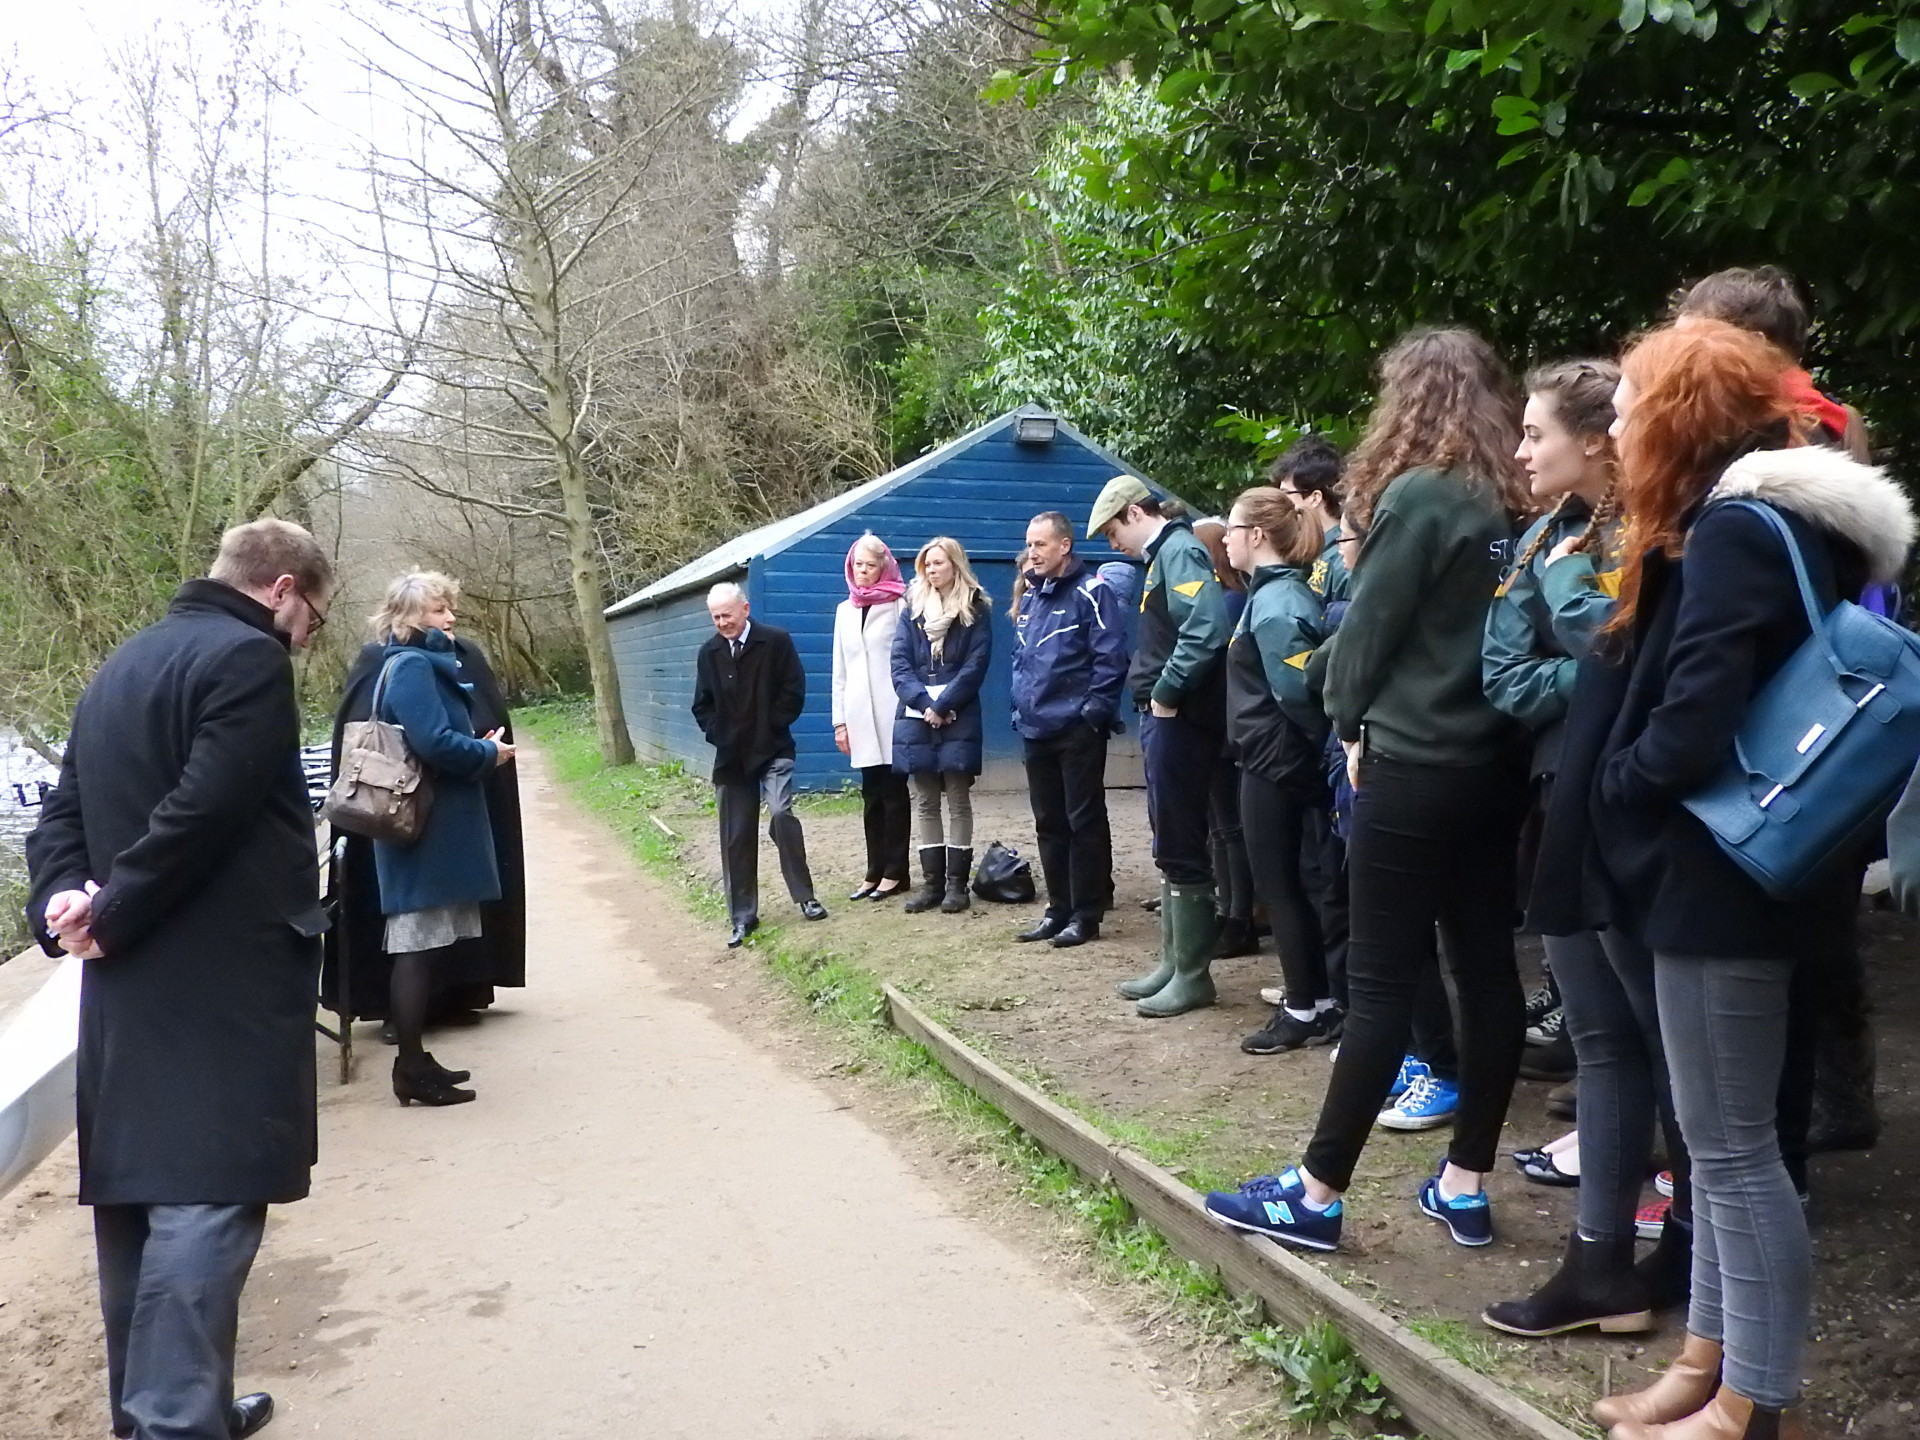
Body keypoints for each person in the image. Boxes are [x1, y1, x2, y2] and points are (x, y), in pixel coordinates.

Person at [1570, 320, 1912, 1438]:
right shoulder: (1783, 523)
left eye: (1627, 399)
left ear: (1678, 411)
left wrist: (1621, 782)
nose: (1614, 419)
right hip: (1752, 868)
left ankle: (1753, 1405)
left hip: (1717, 872)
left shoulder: (1733, 531)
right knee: (1716, 1147)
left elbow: (1696, 705)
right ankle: (1708, 1364)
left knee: (1731, 1151)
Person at [1204, 327, 1530, 1252]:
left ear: (1408, 399)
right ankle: (1464, 1182)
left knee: (1381, 981)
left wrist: (1345, 716)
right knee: (1487, 970)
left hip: (1412, 765)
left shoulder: (1422, 495)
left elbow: (1361, 646)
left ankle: (1314, 1195)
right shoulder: (1510, 499)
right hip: (1492, 768)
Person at [25, 517, 335, 1440]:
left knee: (136, 1198)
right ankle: (173, 1426)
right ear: (280, 587)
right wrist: (106, 912)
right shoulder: (247, 661)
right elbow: (205, 809)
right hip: (219, 981)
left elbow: (62, 815)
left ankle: (166, 1411)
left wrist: (62, 905)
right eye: (312, 614)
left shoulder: (122, 664)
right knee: (206, 1199)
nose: (307, 635)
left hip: (130, 982)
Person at [1476, 361, 1693, 1340]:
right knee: (1604, 1040)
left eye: (1534, 434)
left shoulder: (1660, 533)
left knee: (1675, 1045)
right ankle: (1602, 1263)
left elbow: (1616, 645)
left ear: (1598, 440)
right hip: (1565, 795)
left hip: (1636, 807)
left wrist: (1588, 654)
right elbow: (1506, 673)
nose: (1520, 452)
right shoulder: (1550, 536)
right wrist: (1586, 671)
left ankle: (1687, 1251)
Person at [1672, 264, 1882, 1163]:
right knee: (1820, 920)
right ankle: (1827, 1102)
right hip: (1835, 710)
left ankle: (1771, 1139)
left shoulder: (1763, 433)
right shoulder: (1841, 423)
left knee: (1774, 936)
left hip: (1775, 717)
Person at [362, 572, 518, 1107]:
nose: (449, 619)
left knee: (423, 947)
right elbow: (431, 743)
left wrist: (473, 744)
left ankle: (416, 1058)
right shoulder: (410, 666)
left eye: (448, 608)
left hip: (429, 828)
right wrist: (484, 754)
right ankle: (408, 1068)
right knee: (414, 947)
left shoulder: (413, 664)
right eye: (436, 611)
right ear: (408, 618)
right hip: (423, 832)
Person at [324, 631, 526, 1040]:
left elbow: (479, 712)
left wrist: (481, 742)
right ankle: (406, 1038)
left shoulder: (466, 653)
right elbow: (403, 735)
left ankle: (461, 990)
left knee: (448, 913)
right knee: (414, 926)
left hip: (457, 800)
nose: (449, 617)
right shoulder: (388, 660)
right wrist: (475, 751)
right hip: (401, 804)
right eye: (438, 608)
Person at [1091, 476, 1234, 1017]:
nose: (1111, 544)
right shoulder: (1165, 556)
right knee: (1168, 840)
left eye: (1111, 532)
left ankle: (1193, 976)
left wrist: (1168, 693)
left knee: (1180, 840)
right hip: (1166, 722)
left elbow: (1206, 630)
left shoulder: (1179, 552)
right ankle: (1174, 963)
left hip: (1183, 721)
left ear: (1133, 513)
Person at [1220, 487, 1340, 1054]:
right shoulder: (1270, 595)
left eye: (1233, 528)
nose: (1225, 538)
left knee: (1281, 884)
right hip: (1273, 756)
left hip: (1275, 762)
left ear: (1257, 536)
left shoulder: (1278, 603)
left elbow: (1298, 692)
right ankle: (1315, 996)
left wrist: (1310, 752)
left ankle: (1304, 1007)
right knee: (1293, 882)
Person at [1009, 511, 1129, 946]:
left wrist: (1091, 714)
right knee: (1048, 823)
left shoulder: (1093, 592)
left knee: (1084, 821)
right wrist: (1017, 709)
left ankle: (1086, 913)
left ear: (1064, 546)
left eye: (1040, 544)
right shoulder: (1034, 595)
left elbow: (1110, 658)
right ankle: (1057, 908)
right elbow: (1023, 660)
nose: (1032, 553)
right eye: (1029, 544)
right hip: (1034, 728)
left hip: (1076, 729)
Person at [692, 582, 829, 947]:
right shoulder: (709, 653)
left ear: (745, 609)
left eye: (728, 615)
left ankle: (806, 897)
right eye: (716, 617)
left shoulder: (776, 641)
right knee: (735, 836)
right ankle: (742, 917)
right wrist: (720, 734)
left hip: (773, 749)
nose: (722, 623)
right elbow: (701, 706)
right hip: (732, 757)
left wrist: (770, 725)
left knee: (781, 814)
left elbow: (794, 691)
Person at [891, 537, 993, 914]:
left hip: (958, 715)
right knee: (926, 800)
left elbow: (976, 665)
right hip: (917, 718)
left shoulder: (976, 609)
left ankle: (956, 886)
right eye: (926, 564)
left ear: (955, 564)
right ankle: (931, 885)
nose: (931, 570)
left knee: (958, 797)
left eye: (938, 563)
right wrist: (925, 704)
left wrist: (945, 704)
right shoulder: (911, 609)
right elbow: (899, 665)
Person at [832, 535, 912, 902]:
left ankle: (896, 872)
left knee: (894, 792)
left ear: (884, 567)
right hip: (859, 713)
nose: (863, 572)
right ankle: (873, 870)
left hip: (892, 710)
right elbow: (840, 671)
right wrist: (840, 721)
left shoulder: (899, 604)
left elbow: (908, 658)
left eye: (870, 566)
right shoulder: (844, 611)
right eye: (858, 565)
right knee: (871, 795)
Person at [1194, 517, 1258, 959]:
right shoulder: (1222, 597)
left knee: (1230, 828)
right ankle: (1225, 911)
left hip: (1227, 726)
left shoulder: (1231, 600)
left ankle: (1240, 918)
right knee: (1219, 827)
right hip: (1214, 725)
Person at [1271, 434, 1351, 605]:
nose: (1280, 503)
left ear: (1314, 498)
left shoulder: (1343, 558)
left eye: (1285, 494)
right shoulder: (1309, 552)